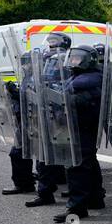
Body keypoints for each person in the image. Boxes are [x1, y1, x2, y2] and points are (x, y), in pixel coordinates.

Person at [55, 45, 103, 224]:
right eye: (72, 58)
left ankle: (77, 207)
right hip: (80, 126)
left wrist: (67, 100)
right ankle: (95, 199)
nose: (73, 61)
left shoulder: (89, 80)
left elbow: (89, 100)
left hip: (82, 127)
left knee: (77, 166)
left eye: (77, 58)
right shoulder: (81, 77)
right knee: (88, 164)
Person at [26, 34, 73, 207]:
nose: (51, 45)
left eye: (54, 42)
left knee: (69, 156)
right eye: (50, 41)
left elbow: (65, 84)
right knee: (43, 155)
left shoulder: (66, 60)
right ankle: (45, 192)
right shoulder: (46, 59)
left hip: (60, 113)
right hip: (44, 111)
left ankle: (78, 193)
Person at [1, 52, 36, 195]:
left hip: (31, 119)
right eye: (23, 63)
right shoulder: (28, 77)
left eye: (27, 62)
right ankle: (26, 182)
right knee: (22, 153)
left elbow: (32, 98)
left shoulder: (36, 77)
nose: (25, 66)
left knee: (18, 153)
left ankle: (24, 184)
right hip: (25, 118)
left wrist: (16, 93)